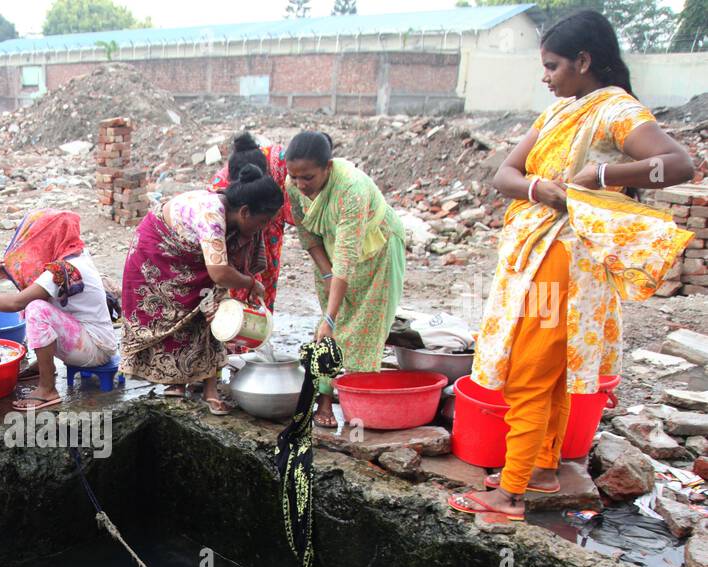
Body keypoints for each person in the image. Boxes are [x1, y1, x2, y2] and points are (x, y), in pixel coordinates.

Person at [450, 10, 694, 521]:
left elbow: (678, 164)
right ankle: (540, 468)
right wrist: (543, 188)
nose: (545, 76)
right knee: (553, 370)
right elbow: (505, 174)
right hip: (534, 254)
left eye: (553, 65)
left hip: (565, 257)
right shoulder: (559, 112)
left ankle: (510, 494)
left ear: (584, 61)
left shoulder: (614, 110)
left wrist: (602, 173)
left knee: (532, 372)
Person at [120, 165, 282, 415]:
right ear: (245, 211)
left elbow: (220, 271)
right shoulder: (212, 216)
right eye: (262, 222)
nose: (263, 228)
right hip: (159, 253)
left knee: (214, 312)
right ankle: (176, 381)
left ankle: (210, 388)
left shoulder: (233, 216)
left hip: (196, 257)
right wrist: (251, 283)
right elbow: (219, 272)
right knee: (177, 316)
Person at [285, 130, 406, 428]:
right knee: (328, 334)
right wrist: (326, 273)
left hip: (377, 252)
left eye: (308, 178)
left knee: (365, 332)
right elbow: (307, 234)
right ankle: (324, 400)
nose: (301, 185)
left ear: (328, 167)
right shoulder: (293, 184)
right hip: (329, 254)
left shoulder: (352, 189)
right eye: (294, 177)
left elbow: (347, 255)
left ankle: (360, 405)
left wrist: (331, 315)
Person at [0, 209, 118, 412]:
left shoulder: (64, 268)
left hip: (96, 349)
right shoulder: (75, 257)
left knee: (35, 309)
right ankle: (42, 366)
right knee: (34, 304)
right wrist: (11, 275)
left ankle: (47, 388)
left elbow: (16, 303)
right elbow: (38, 287)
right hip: (93, 341)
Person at [209, 131, 292, 312]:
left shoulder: (278, 161)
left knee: (267, 280)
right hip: (237, 238)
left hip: (270, 230)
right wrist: (247, 281)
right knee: (238, 286)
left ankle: (261, 323)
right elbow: (219, 270)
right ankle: (239, 327)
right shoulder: (217, 194)